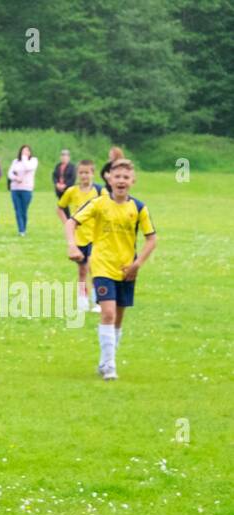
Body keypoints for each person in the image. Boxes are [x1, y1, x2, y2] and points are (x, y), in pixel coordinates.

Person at [66, 158, 156, 381]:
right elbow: (71, 222)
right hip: (102, 266)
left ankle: (105, 360)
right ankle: (110, 366)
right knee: (108, 313)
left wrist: (137, 264)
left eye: (126, 177)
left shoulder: (138, 208)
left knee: (118, 319)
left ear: (132, 181)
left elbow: (152, 239)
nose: (121, 181)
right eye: (117, 177)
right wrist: (72, 244)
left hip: (126, 269)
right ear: (109, 179)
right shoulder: (99, 203)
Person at [55, 159, 102, 313]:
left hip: (96, 238)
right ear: (77, 174)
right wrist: (68, 223)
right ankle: (82, 301)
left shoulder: (100, 192)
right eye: (81, 173)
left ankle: (98, 302)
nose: (84, 176)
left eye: (87, 173)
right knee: (82, 271)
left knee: (95, 269)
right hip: (79, 238)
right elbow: (60, 208)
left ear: (92, 174)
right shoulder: (72, 191)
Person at [7, 144, 38, 236]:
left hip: (26, 189)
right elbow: (10, 173)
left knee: (24, 210)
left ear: (30, 152)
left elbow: (28, 167)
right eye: (23, 151)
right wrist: (16, 178)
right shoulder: (15, 161)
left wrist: (24, 158)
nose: (25, 152)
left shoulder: (33, 161)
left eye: (27, 150)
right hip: (15, 188)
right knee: (17, 209)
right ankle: (21, 230)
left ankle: (23, 228)